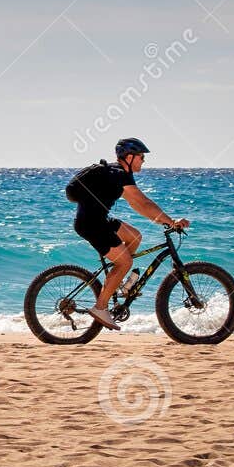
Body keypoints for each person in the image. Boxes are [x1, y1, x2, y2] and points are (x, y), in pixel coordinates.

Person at [68, 137, 187, 330]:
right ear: (129, 157)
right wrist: (171, 221)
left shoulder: (116, 173)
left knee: (135, 237)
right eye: (141, 157)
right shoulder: (119, 174)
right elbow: (144, 203)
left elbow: (137, 205)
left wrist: (161, 220)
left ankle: (118, 281)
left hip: (99, 220)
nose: (144, 161)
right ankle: (100, 307)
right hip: (92, 224)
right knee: (125, 262)